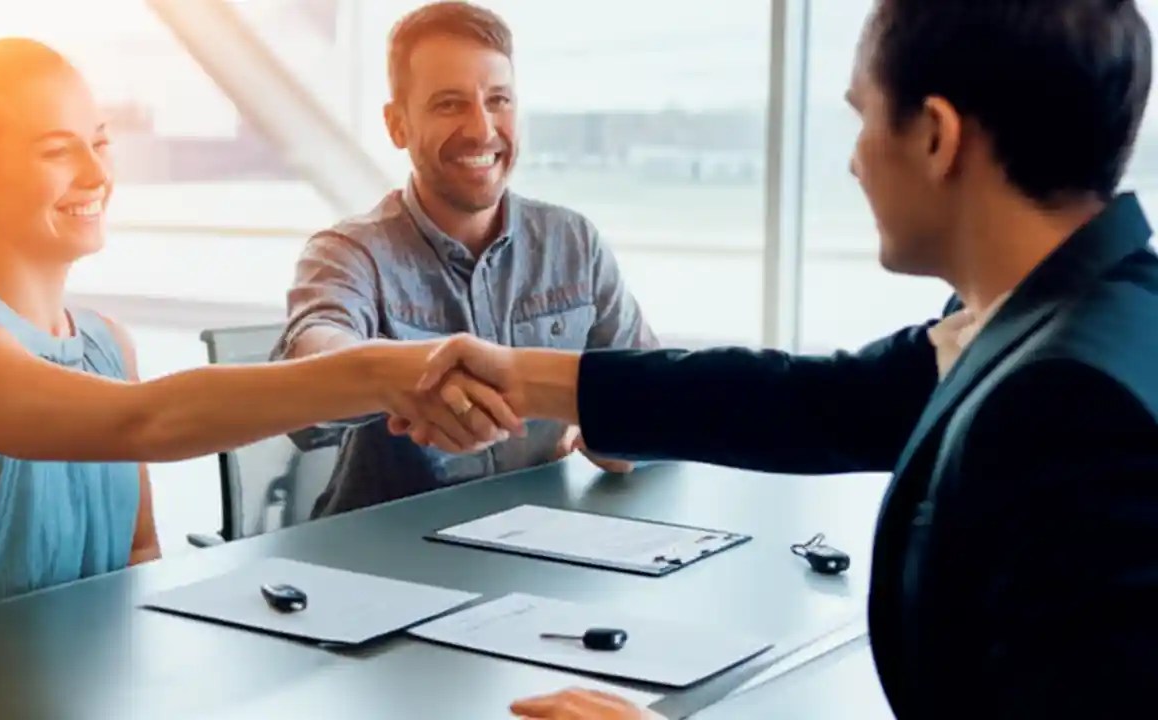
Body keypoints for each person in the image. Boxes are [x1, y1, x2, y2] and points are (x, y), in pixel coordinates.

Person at [408, 1, 1158, 717]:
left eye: (861, 117)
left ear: (936, 136)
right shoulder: (1088, 318)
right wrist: (527, 375)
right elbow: (815, 400)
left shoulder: (1071, 408)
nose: (856, 162)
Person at [0, 38, 519, 627]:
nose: (97, 175)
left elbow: (139, 552)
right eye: (56, 150)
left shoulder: (106, 344)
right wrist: (380, 374)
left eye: (98, 142)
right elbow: (148, 422)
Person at [273, 1, 657, 518]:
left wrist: (621, 435)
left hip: (536, 549)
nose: (482, 129)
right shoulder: (348, 253)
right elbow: (311, 363)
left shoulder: (574, 245)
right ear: (397, 125)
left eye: (498, 100)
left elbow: (656, 403)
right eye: (449, 104)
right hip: (387, 564)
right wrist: (414, 379)